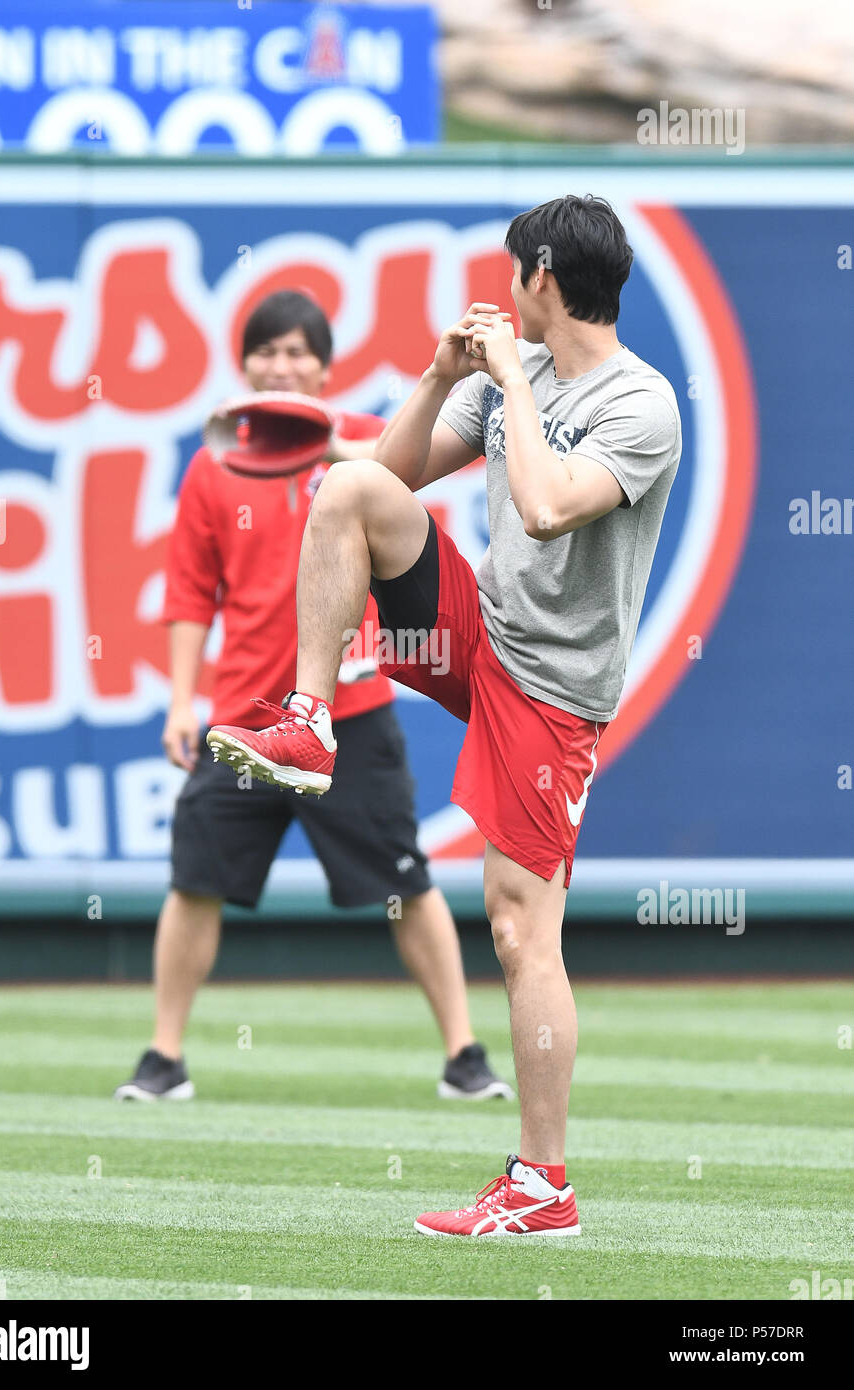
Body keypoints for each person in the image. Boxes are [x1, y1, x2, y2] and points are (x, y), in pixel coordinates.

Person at [207, 197, 682, 1235]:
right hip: (477, 631)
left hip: (554, 689)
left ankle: (541, 1184)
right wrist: (437, 376)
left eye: (519, 268)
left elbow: (551, 504)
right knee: (343, 491)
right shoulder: (521, 375)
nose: (508, 285)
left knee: (519, 925)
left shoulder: (641, 403)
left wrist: (510, 377)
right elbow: (391, 476)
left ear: (543, 278)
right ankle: (307, 718)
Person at [115, 290, 511, 1104]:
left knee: (406, 884)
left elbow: (416, 491)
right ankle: (164, 1057)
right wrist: (181, 703)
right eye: (269, 351)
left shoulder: (367, 446)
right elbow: (191, 594)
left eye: (300, 353)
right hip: (247, 722)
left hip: (350, 716)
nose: (283, 365)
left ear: (326, 368)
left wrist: (340, 437)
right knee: (194, 880)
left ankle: (463, 1054)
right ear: (246, 365)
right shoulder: (214, 463)